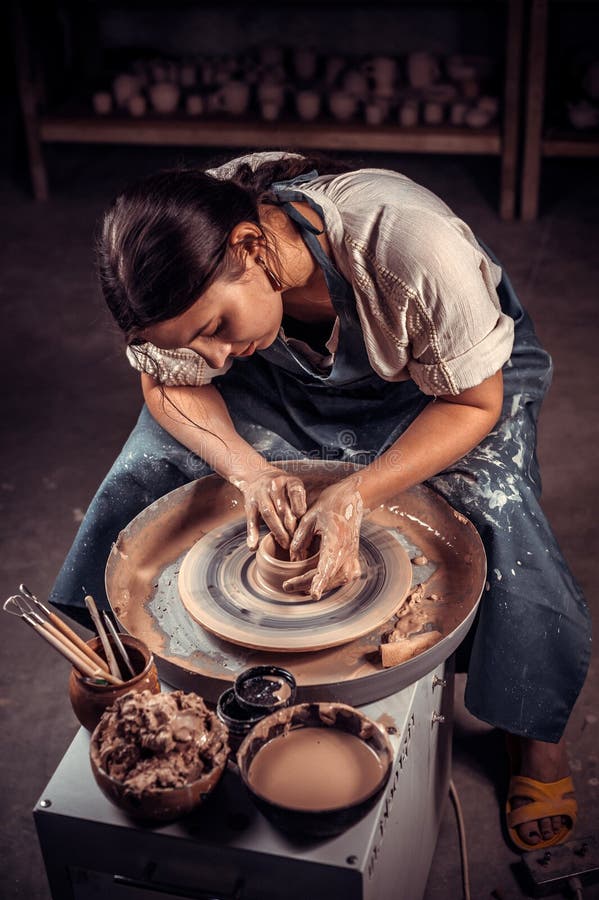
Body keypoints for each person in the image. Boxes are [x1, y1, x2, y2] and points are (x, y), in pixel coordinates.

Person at [51, 150, 590, 851]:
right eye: (191, 342)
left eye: (214, 328)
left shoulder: (405, 243)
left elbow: (473, 401)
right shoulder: (170, 253)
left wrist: (353, 496)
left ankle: (532, 733)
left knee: (491, 502)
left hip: (440, 385)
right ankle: (137, 681)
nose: (210, 357)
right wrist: (245, 470)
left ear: (249, 247)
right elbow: (169, 385)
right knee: (153, 464)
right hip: (283, 382)